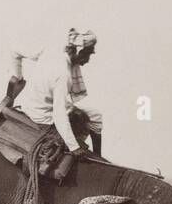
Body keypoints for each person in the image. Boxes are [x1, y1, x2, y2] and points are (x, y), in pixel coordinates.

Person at [14, 28, 104, 158]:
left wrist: (18, 77)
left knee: (95, 115)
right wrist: (74, 147)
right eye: (88, 54)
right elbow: (59, 114)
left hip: (34, 102)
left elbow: (15, 50)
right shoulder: (63, 75)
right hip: (42, 115)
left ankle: (98, 156)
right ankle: (96, 158)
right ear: (80, 52)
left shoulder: (51, 50)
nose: (88, 60)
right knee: (87, 121)